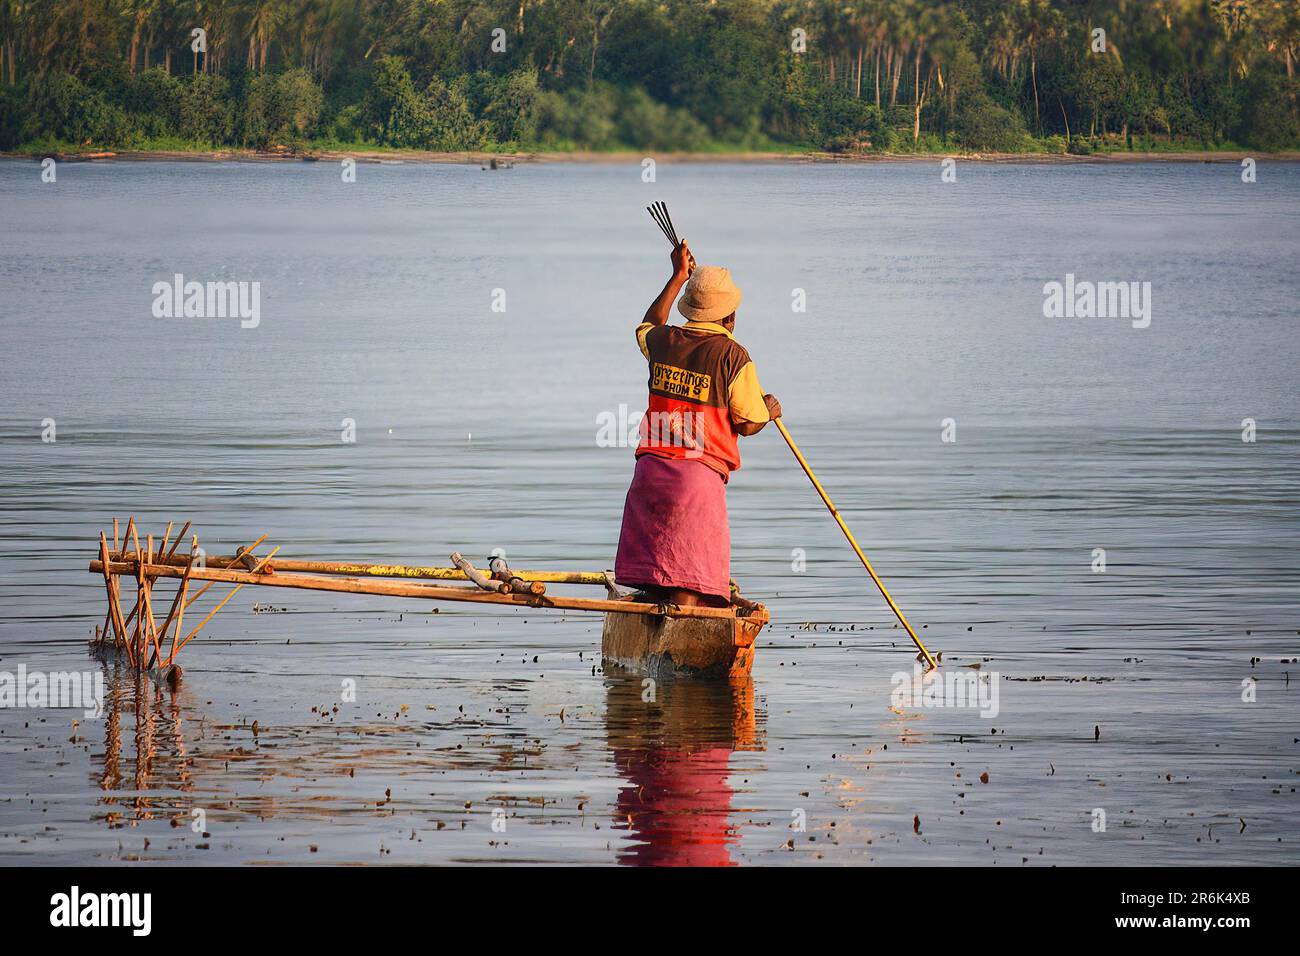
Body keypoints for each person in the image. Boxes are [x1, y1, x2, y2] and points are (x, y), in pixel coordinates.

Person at [614, 238, 781, 608]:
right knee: (688, 585)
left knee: (657, 582)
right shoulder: (733, 356)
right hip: (695, 484)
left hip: (650, 476)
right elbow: (749, 422)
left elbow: (647, 324)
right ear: (731, 317)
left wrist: (676, 276)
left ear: (691, 310)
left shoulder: (664, 340)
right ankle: (678, 646)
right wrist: (769, 409)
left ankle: (656, 631)